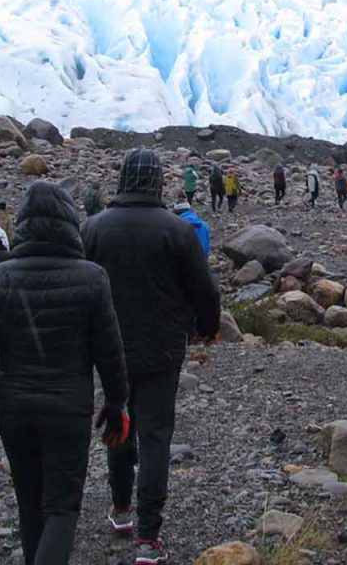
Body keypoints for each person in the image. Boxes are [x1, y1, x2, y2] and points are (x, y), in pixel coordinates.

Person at [0, 182, 130, 565]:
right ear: (69, 224)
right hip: (68, 406)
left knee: (29, 504)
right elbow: (109, 351)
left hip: (13, 406)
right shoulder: (92, 278)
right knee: (62, 507)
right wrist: (116, 403)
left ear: (22, 225)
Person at [82, 149, 221, 564]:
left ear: (122, 179)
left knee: (119, 422)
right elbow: (205, 290)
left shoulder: (92, 228)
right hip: (162, 349)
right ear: (158, 181)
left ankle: (121, 508)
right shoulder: (176, 230)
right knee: (157, 435)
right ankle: (148, 537)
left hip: (110, 351)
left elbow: (80, 286)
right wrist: (207, 327)